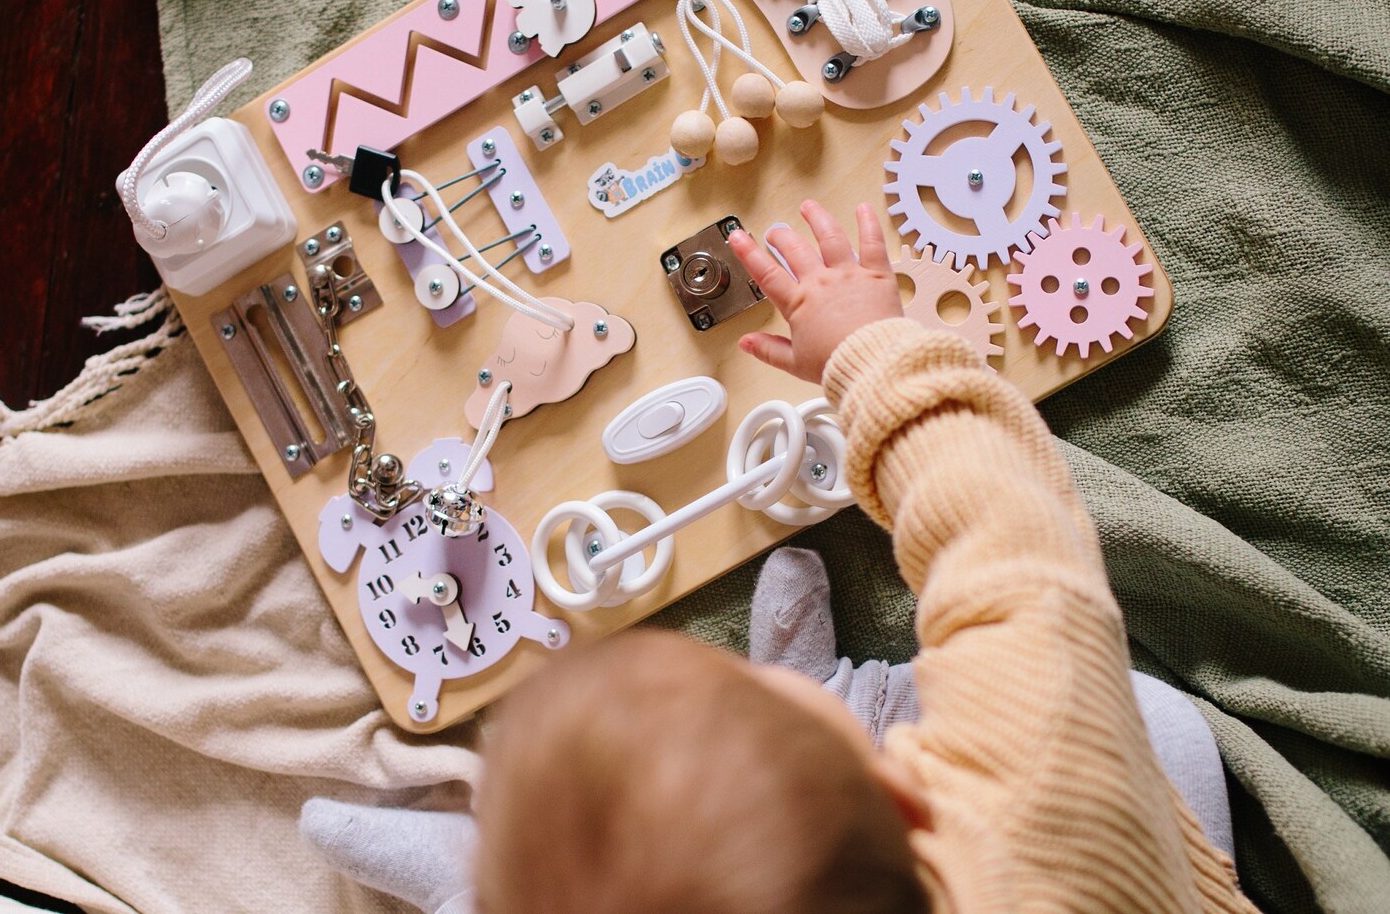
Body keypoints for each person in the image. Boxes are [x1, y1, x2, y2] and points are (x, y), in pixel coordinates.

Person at [470, 199, 1256, 914]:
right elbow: (1009, 550)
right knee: (1158, 730)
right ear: (908, 803)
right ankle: (837, 704)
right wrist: (869, 354)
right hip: (1128, 870)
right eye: (759, 689)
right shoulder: (1047, 796)